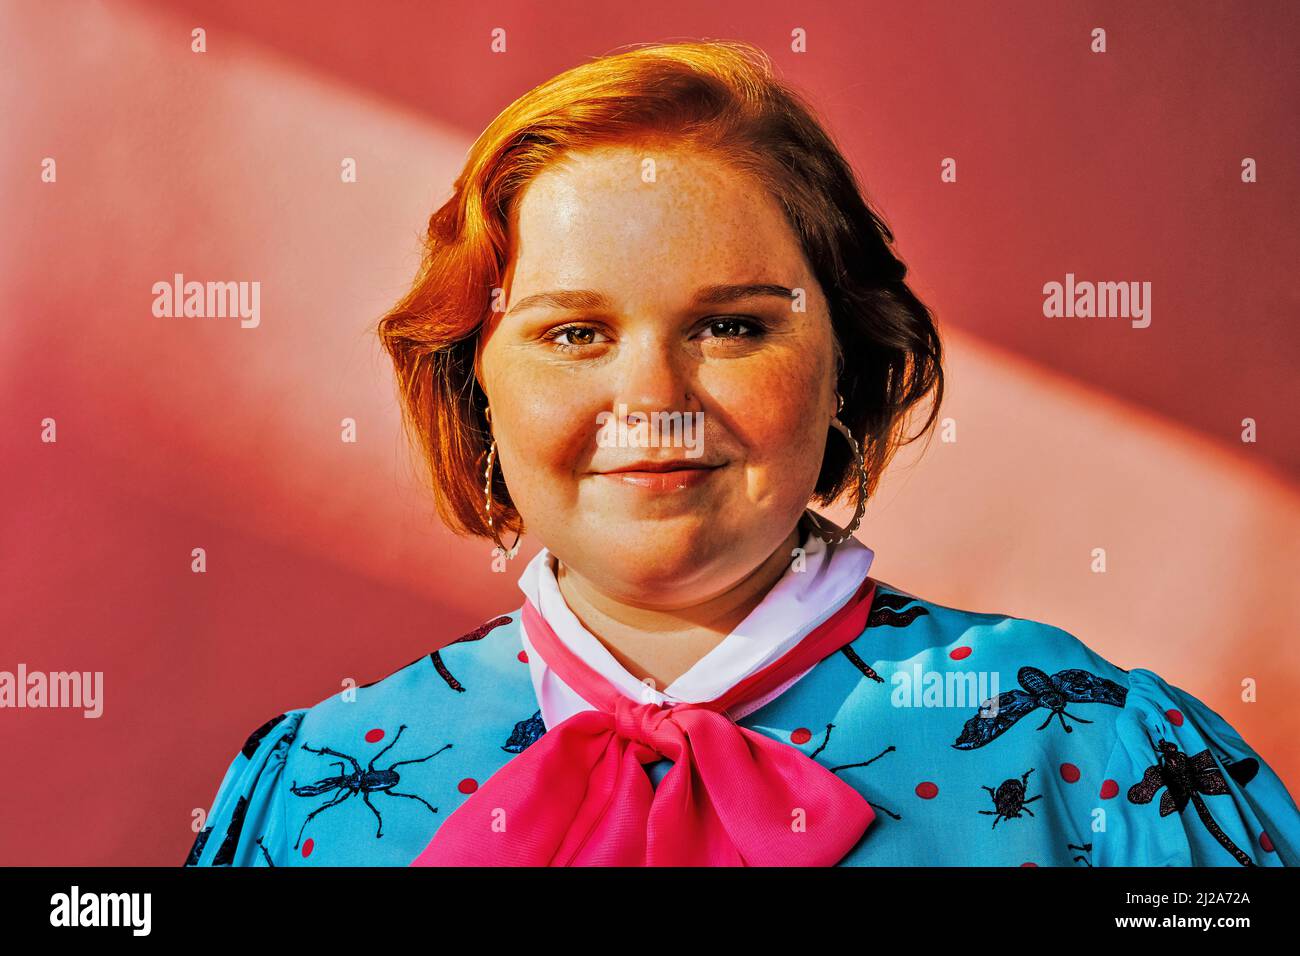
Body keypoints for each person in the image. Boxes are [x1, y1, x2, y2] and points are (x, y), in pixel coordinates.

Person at [186, 40, 1300, 867]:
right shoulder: (312, 800)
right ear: (473, 383)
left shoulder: (1096, 760)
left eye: (732, 326)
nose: (654, 399)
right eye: (574, 333)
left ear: (846, 364)